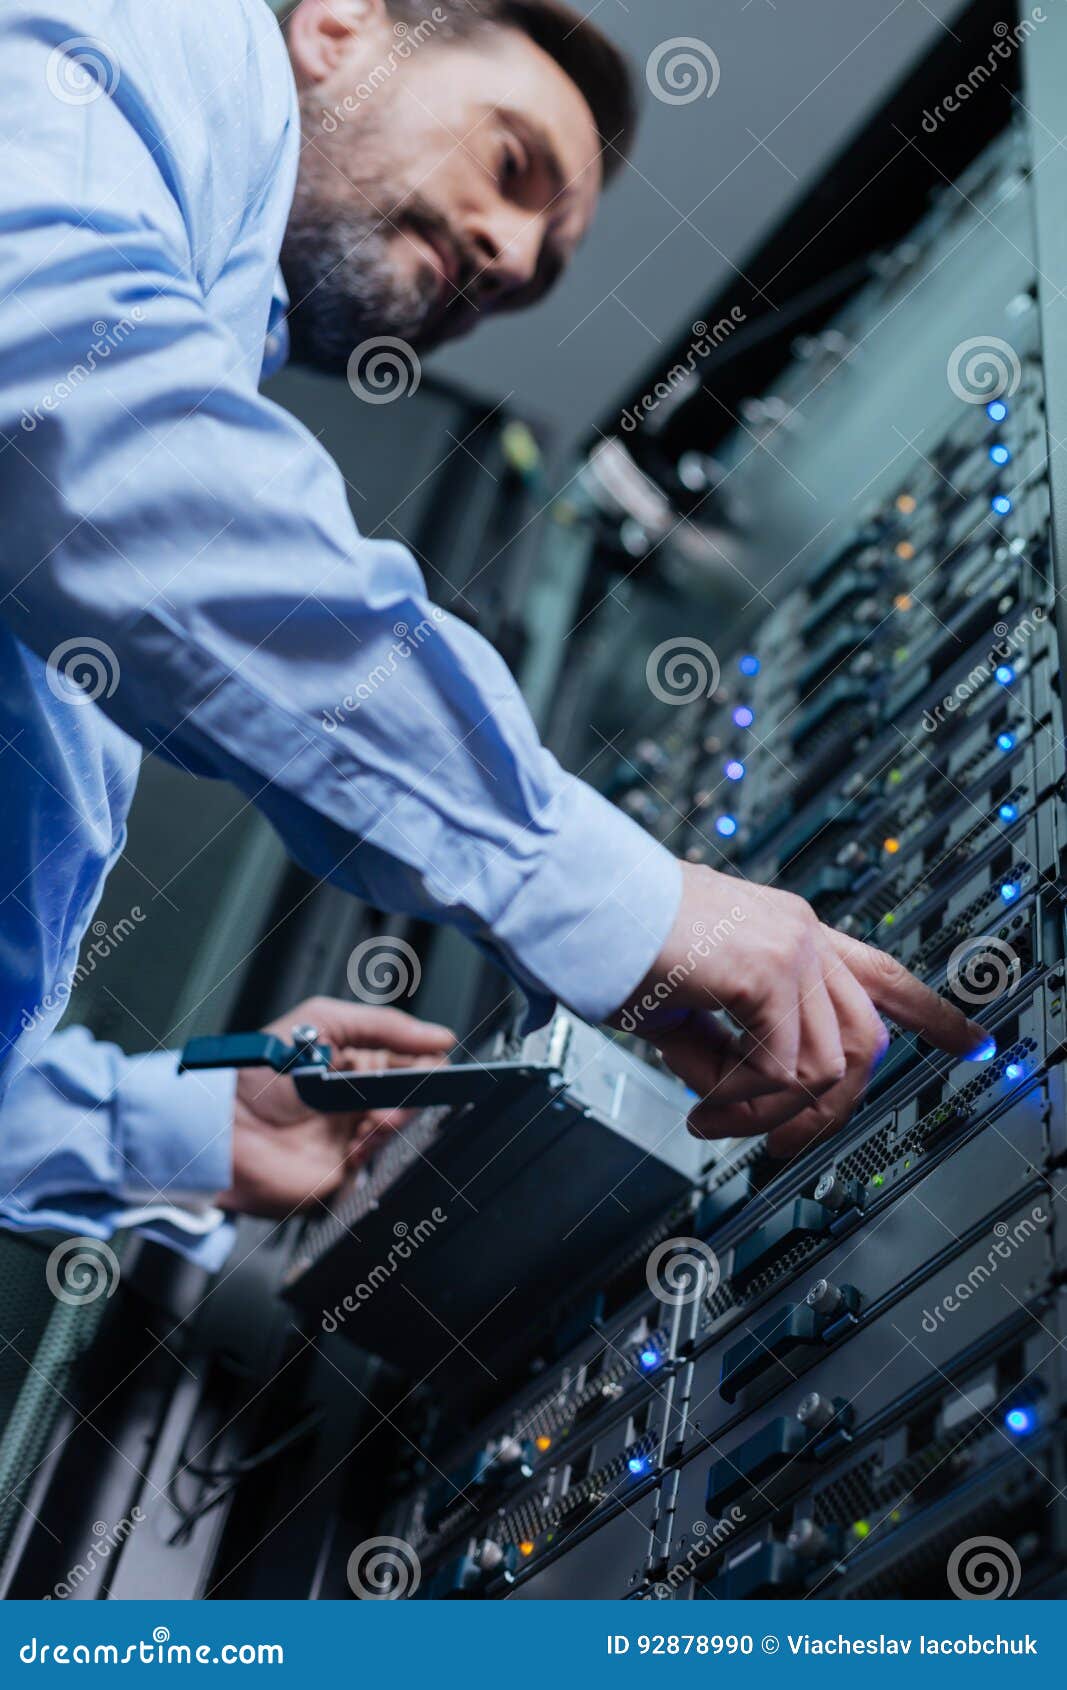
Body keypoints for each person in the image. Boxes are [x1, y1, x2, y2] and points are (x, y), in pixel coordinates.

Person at [0, 0, 986, 1267]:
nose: (509, 257)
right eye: (511, 164)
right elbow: (65, 409)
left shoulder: (186, 307)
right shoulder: (158, 38)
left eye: (537, 265)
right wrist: (603, 891)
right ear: (342, 28)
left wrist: (149, 1127)